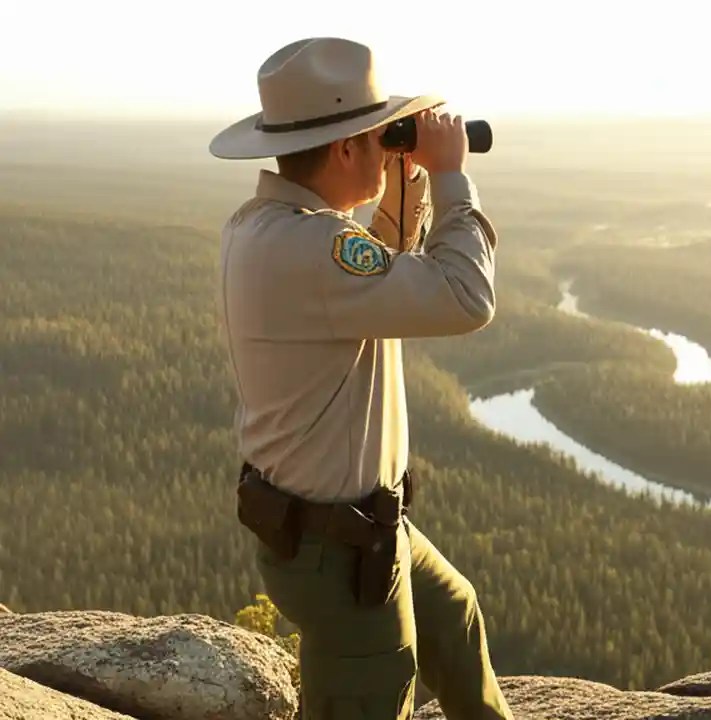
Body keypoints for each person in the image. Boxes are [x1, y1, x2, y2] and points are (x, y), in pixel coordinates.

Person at [208, 37, 512, 720]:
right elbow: (465, 295)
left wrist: (403, 183)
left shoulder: (268, 229)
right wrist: (450, 177)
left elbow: (372, 278)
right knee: (373, 693)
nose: (385, 147)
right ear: (344, 150)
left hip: (350, 531)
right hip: (339, 554)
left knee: (452, 613)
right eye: (378, 138)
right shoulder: (312, 246)